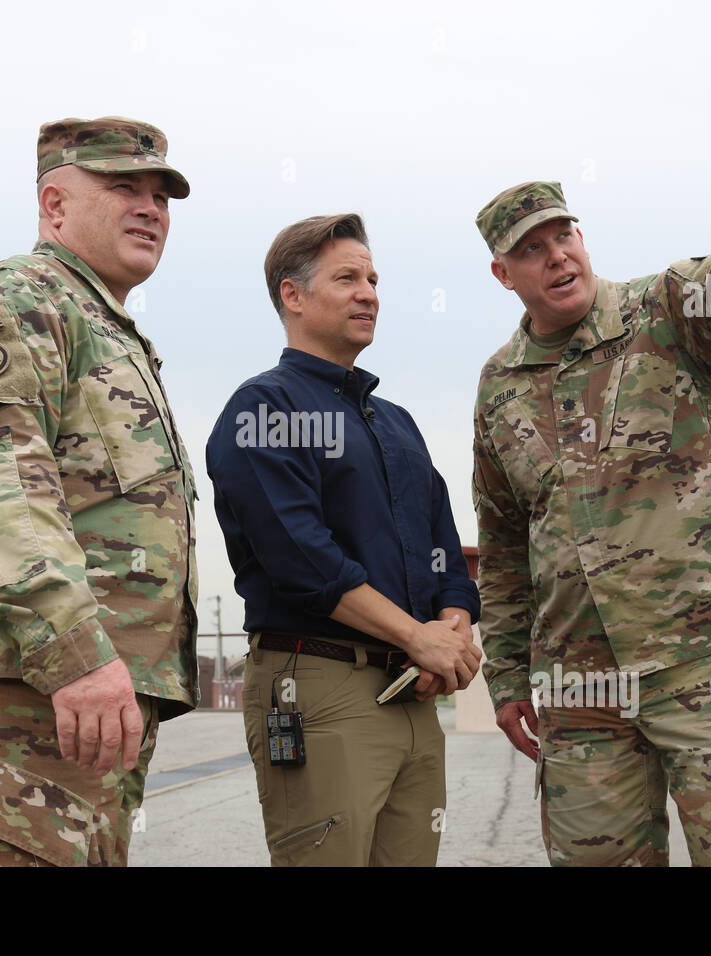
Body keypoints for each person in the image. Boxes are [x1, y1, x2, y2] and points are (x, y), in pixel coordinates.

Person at [471, 103, 711, 866]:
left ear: (582, 239)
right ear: (503, 273)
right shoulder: (499, 386)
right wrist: (509, 675)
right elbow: (505, 543)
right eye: (532, 249)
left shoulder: (669, 311)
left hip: (702, 658)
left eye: (564, 235)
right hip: (580, 686)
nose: (557, 257)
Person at [0, 116, 197, 867]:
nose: (149, 206)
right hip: (18, 689)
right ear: (55, 206)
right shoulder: (15, 300)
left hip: (81, 697)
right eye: (123, 186)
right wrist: (75, 653)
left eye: (160, 193)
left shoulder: (108, 329)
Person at [206, 213, 482, 866]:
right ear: (292, 295)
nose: (369, 293)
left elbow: (444, 548)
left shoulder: (397, 424)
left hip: (413, 694)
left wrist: (453, 626)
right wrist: (419, 637)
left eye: (374, 279)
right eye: (348, 278)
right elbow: (304, 559)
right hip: (321, 687)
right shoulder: (266, 411)